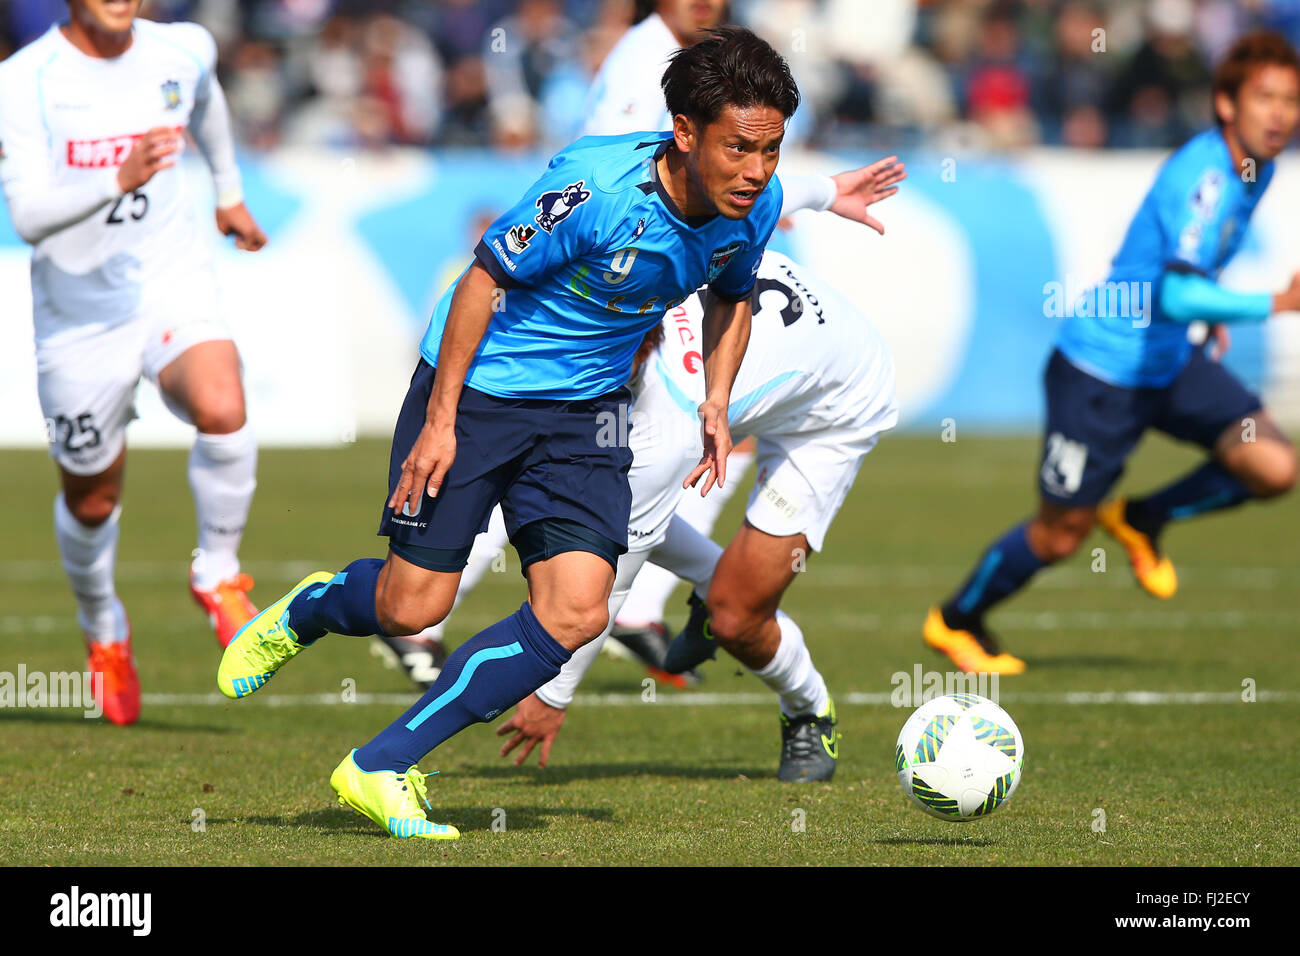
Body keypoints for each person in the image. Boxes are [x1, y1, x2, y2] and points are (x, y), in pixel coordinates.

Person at [217, 27, 799, 840]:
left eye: (771, 150)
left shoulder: (755, 203)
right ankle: (314, 609)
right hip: (481, 393)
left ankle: (381, 766)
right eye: (741, 148)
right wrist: (443, 421)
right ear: (686, 131)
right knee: (411, 604)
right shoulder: (596, 189)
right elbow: (483, 280)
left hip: (586, 415)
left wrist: (716, 398)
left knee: (575, 612)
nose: (758, 171)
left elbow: (733, 292)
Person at [374, 0, 906, 687]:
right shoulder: (638, 74)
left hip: (623, 323)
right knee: (633, 462)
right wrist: (623, 298)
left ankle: (630, 610)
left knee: (642, 473)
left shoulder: (723, 111)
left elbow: (732, 167)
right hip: (580, 323)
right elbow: (622, 186)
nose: (708, 5)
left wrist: (821, 191)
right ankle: (437, 617)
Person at [925, 31, 1300, 674]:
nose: (1281, 114)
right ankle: (955, 621)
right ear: (1226, 104)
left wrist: (1208, 312)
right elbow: (1177, 295)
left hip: (1167, 361)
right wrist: (1271, 303)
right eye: (1265, 98)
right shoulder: (1208, 177)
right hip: (1099, 371)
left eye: (1291, 100)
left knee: (1272, 466)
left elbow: (1184, 279)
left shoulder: (1254, 167)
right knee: (1060, 534)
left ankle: (1142, 518)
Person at [495, 251, 899, 781]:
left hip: (833, 410)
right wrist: (821, 191)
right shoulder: (654, 264)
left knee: (736, 616)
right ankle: (714, 579)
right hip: (801, 351)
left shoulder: (667, 420)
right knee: (612, 506)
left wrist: (552, 693)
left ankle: (809, 711)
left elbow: (608, 580)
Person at [0, 0, 267, 726]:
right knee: (92, 499)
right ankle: (105, 632)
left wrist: (229, 194)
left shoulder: (184, 48)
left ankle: (216, 573)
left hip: (168, 278)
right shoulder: (26, 81)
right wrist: (115, 180)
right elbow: (25, 216)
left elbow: (207, 103)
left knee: (224, 405)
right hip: (79, 315)